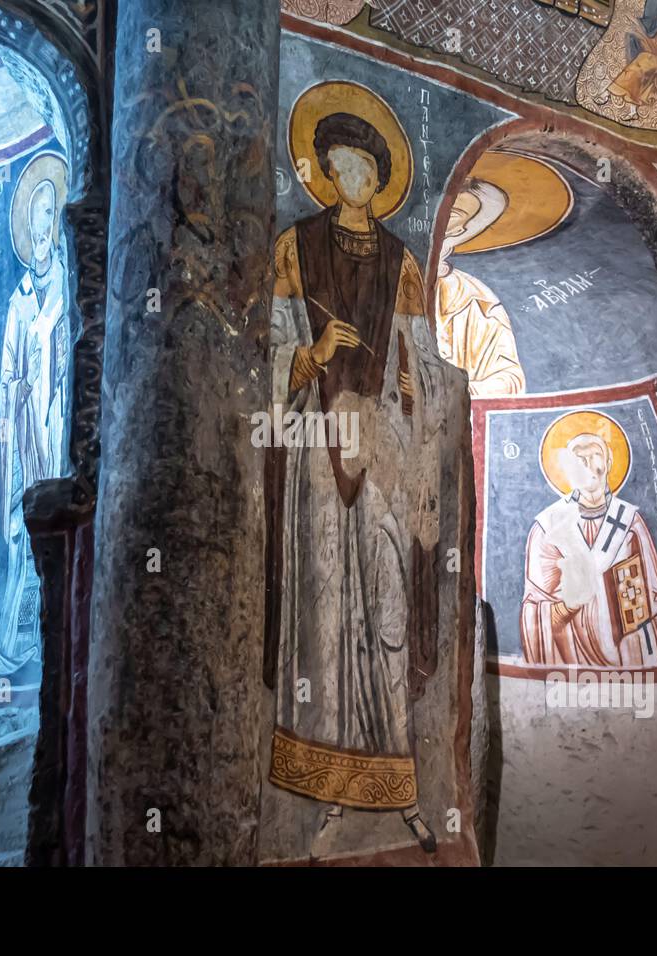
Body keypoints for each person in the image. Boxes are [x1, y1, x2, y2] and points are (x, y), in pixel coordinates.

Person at [264, 111, 444, 853]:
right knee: (324, 610)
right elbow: (271, 353)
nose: (356, 179)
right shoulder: (293, 248)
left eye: (368, 168)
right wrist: (309, 353)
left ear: (381, 175)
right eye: (341, 167)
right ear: (326, 173)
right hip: (314, 449)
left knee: (388, 611)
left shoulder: (404, 261)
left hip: (384, 454)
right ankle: (327, 795)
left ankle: (399, 784)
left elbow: (426, 362)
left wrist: (413, 380)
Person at [0, 172, 69, 675]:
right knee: (25, 531)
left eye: (49, 214)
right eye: (35, 216)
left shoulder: (72, 282)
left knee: (60, 523)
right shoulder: (19, 297)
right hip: (27, 427)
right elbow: (5, 371)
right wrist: (16, 393)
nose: (41, 226)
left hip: (62, 418)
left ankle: (60, 639)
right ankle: (16, 640)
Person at [520, 429, 657, 669]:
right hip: (571, 662)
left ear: (610, 461)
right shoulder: (547, 527)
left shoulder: (631, 523)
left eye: (594, 454)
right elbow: (534, 611)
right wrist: (568, 605)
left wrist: (637, 641)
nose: (587, 464)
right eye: (578, 459)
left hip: (629, 655)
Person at [435, 178, 527, 397]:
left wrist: (459, 391)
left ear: (460, 230)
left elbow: (510, 378)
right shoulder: (385, 279)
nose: (437, 219)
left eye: (452, 214)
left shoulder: (476, 299)